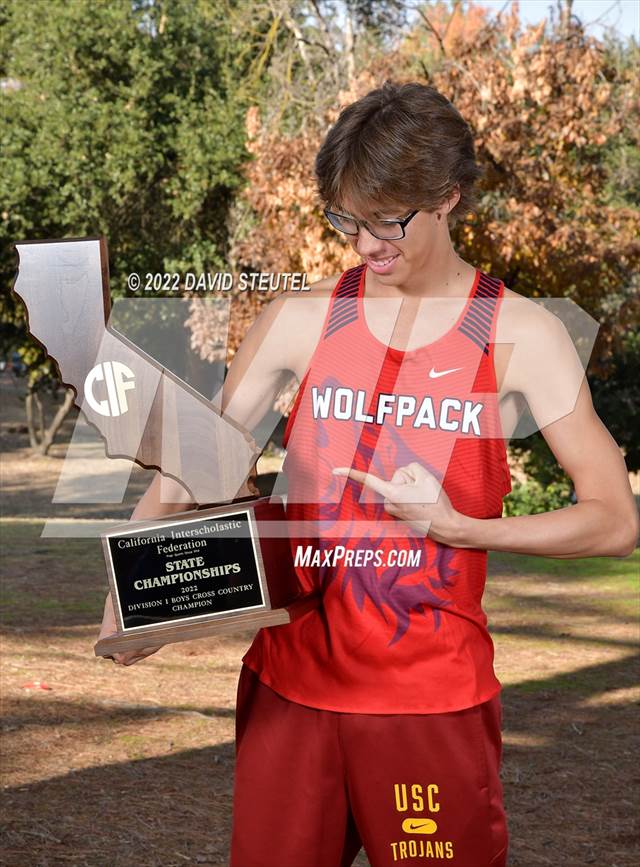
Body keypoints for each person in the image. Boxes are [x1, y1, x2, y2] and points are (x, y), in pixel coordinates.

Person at [98, 81, 639, 866]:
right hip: (292, 691)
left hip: (430, 705)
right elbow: (192, 471)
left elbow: (615, 519)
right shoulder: (298, 318)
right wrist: (139, 599)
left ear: (449, 197)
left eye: (388, 220)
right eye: (347, 218)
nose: (363, 244)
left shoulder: (525, 331)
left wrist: (464, 527)